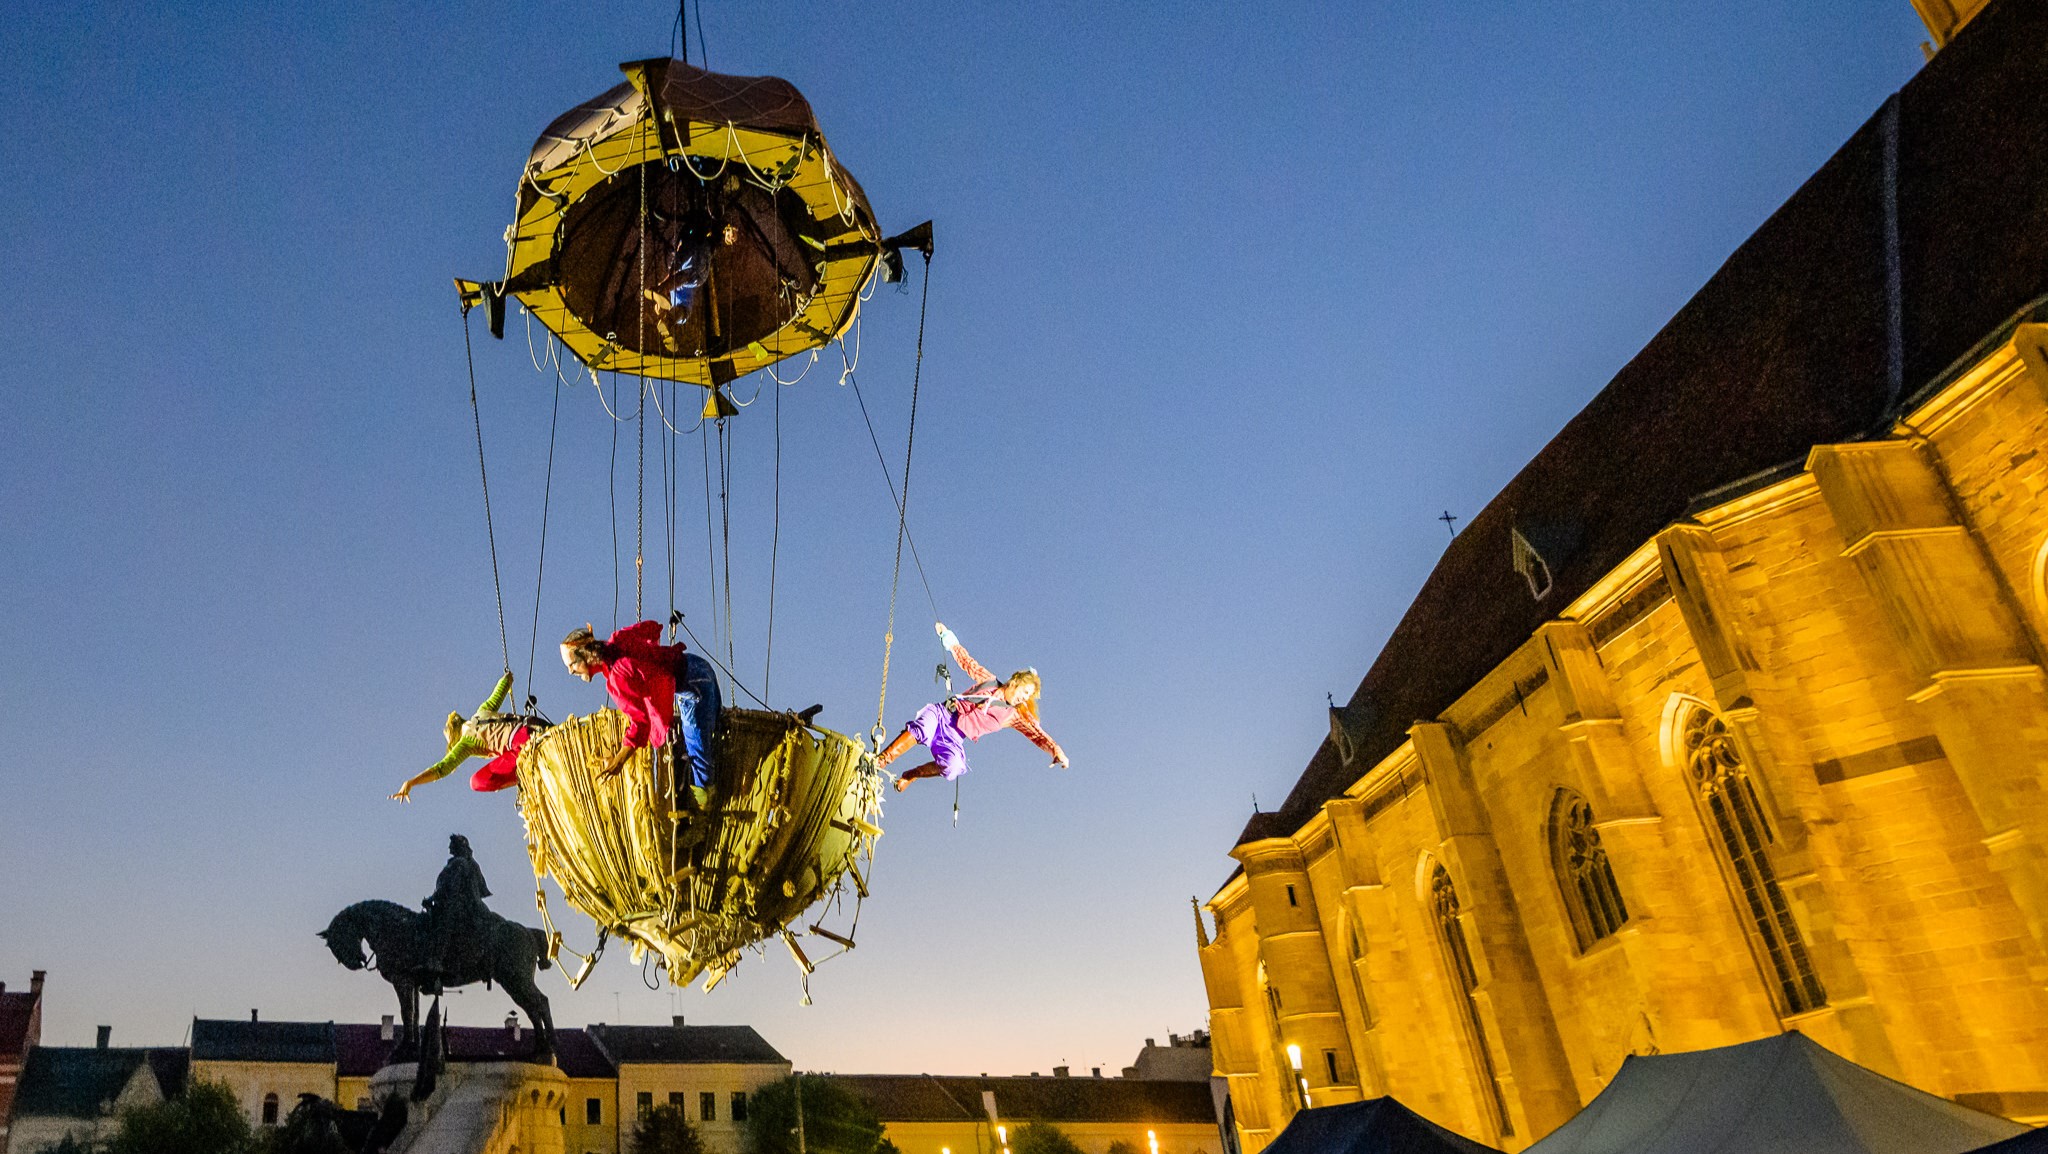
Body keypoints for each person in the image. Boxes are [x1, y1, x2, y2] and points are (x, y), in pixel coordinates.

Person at [877, 622, 1069, 791]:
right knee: (922, 729)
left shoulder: (1013, 715)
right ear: (1015, 681)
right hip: (944, 714)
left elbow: (1036, 733)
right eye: (1024, 691)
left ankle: (912, 774)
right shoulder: (990, 681)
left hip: (955, 735)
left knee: (952, 767)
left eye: (1028, 696)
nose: (1023, 698)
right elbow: (968, 663)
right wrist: (949, 639)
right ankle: (882, 760)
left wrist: (1055, 749)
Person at [560, 620, 723, 808]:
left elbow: (640, 723)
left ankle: (703, 810)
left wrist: (619, 760)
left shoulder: (617, 678)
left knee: (698, 750)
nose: (571, 671)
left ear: (585, 656)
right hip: (697, 664)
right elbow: (652, 628)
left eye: (571, 665)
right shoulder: (617, 639)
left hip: (695, 685)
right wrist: (651, 658)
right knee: (713, 731)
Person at [392, 672, 548, 800]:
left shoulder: (466, 743)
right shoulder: (482, 712)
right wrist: (506, 679)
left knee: (476, 782)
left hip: (522, 746)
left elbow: (441, 769)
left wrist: (411, 782)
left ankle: (526, 777)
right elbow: (500, 691)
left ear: (454, 737)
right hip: (534, 726)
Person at [422, 833, 492, 991]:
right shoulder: (465, 862)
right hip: (462, 904)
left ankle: (436, 961)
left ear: (457, 847)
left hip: (458, 905)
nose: (449, 847)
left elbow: (449, 887)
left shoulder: (459, 863)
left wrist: (433, 899)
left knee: (442, 927)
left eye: (451, 845)